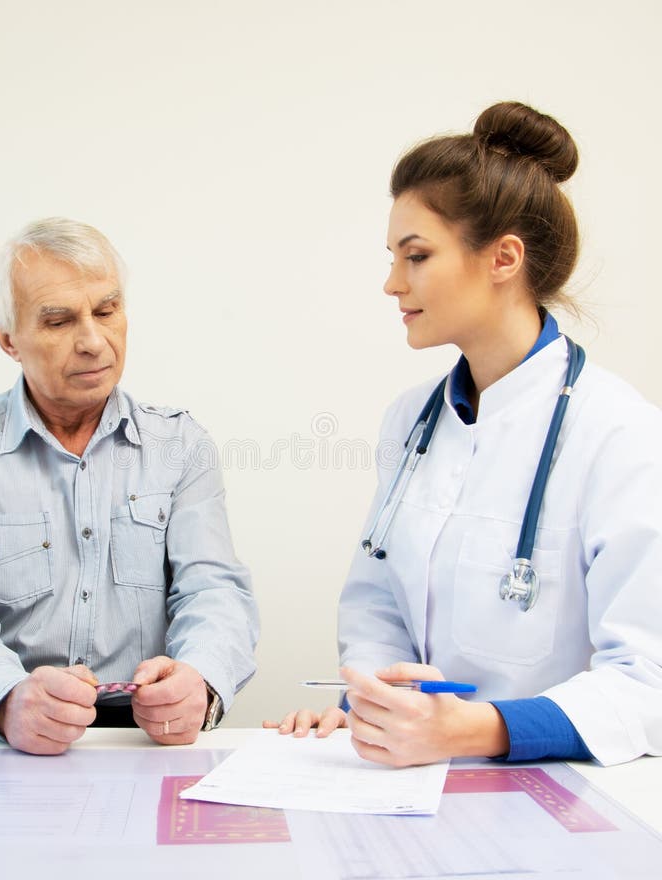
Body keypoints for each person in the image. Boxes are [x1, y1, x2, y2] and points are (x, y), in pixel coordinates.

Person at [265, 102, 662, 767]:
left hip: (559, 790)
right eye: (393, 257)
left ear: (504, 257)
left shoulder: (620, 434)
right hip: (411, 775)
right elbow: (376, 602)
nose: (392, 283)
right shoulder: (411, 421)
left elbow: (648, 682)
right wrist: (373, 705)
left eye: (416, 256)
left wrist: (475, 730)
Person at [0, 217, 259, 755]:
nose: (92, 341)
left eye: (107, 312)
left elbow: (213, 589)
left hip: (136, 732)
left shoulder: (181, 445)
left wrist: (199, 680)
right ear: (8, 339)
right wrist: (6, 698)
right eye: (59, 321)